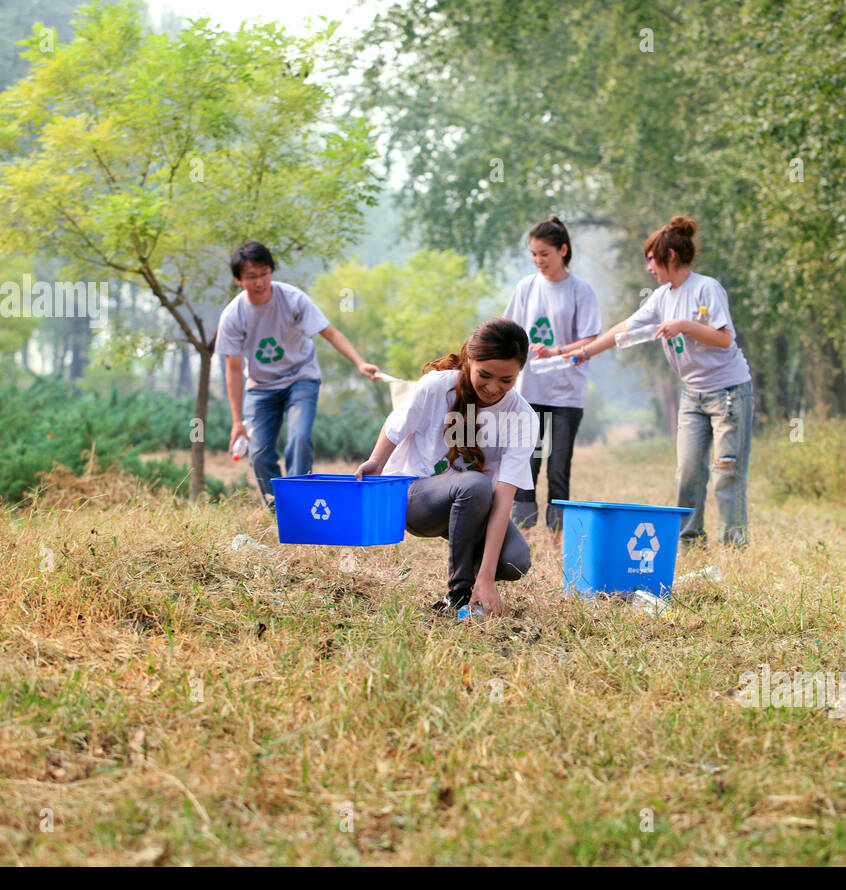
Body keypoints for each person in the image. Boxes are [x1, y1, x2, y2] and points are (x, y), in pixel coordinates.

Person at [573, 215, 754, 548]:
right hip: (693, 396)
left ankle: (733, 546)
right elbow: (624, 330)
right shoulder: (661, 297)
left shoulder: (706, 288)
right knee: (688, 471)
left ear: (670, 257)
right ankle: (689, 541)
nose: (648, 268)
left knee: (726, 471)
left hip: (729, 393)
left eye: (651, 259)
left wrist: (683, 324)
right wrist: (586, 351)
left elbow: (725, 338)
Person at [356, 318, 539, 616]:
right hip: (417, 496)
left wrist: (488, 577)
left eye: (506, 380)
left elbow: (504, 497)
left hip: (473, 505)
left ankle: (476, 582)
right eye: (486, 375)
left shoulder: (523, 418)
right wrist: (375, 463)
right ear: (469, 361)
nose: (493, 388)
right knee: (475, 484)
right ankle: (459, 592)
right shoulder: (436, 388)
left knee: (515, 559)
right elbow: (394, 428)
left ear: (519, 373)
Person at [215, 241, 379, 505]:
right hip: (260, 386)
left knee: (300, 439)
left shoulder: (292, 299)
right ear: (238, 280)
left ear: (271, 271)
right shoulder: (233, 316)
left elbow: (330, 332)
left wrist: (360, 362)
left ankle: (301, 503)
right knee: (258, 452)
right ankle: (279, 509)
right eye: (251, 277)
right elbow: (233, 370)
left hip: (301, 378)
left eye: (264, 273)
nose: (260, 282)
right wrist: (237, 422)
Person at [505, 216, 603, 532]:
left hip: (566, 395)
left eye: (544, 254)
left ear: (563, 251)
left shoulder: (580, 291)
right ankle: (522, 536)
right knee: (527, 465)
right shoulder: (526, 287)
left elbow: (592, 340)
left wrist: (558, 351)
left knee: (558, 468)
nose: (538, 261)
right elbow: (510, 330)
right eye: (533, 254)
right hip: (530, 392)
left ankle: (558, 539)